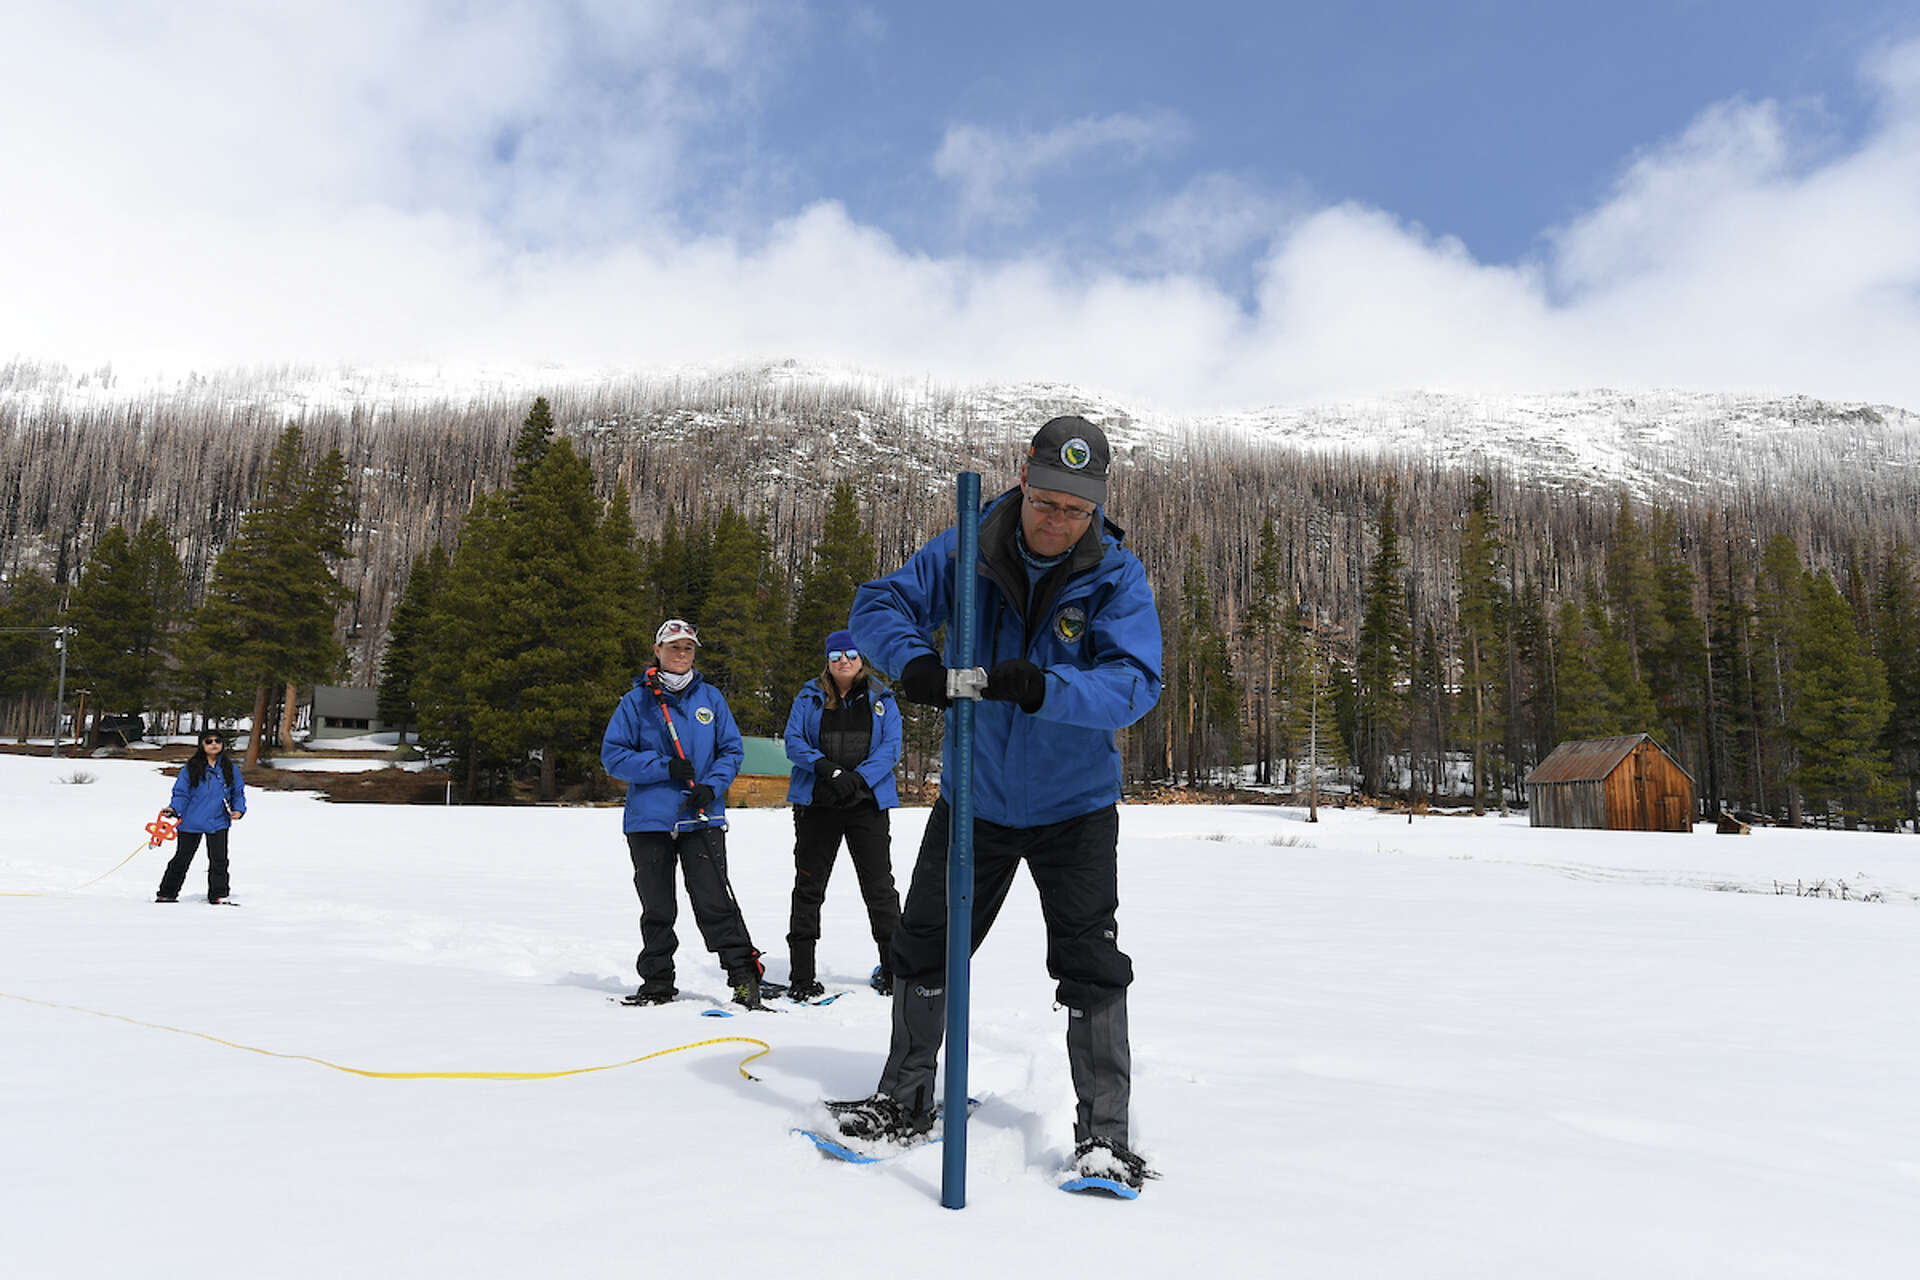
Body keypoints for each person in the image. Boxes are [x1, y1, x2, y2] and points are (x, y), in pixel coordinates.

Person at [829, 414, 1164, 1192]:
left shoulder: (1116, 575)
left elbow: (1135, 683)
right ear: (1024, 479)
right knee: (924, 945)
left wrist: (1048, 688)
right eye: (1048, 501)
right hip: (973, 796)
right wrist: (910, 661)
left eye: (1077, 509)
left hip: (1073, 806)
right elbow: (879, 604)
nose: (1058, 521)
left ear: (1096, 507)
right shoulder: (965, 547)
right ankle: (905, 1099)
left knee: (1090, 964)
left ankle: (1104, 1137)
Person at [600, 618, 765, 1009]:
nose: (681, 653)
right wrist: (663, 767)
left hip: (700, 815)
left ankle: (744, 977)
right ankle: (657, 981)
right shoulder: (636, 701)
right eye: (674, 646)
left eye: (688, 647)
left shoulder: (710, 698)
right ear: (658, 651)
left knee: (715, 900)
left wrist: (712, 786)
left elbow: (731, 751)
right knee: (657, 906)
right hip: (650, 820)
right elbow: (614, 757)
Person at [781, 628, 904, 1001]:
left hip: (866, 805)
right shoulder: (809, 696)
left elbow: (891, 747)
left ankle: (895, 972)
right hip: (818, 804)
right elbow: (793, 740)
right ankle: (802, 976)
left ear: (861, 658)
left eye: (850, 655)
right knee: (808, 888)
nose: (844, 662)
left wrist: (859, 777)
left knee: (880, 890)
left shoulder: (882, 698)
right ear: (827, 661)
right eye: (836, 657)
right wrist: (827, 769)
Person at [155, 729, 247, 904]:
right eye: (209, 741)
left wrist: (239, 810)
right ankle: (167, 893)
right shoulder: (191, 768)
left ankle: (219, 894)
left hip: (218, 821)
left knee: (219, 860)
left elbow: (238, 793)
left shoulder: (230, 769)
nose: (214, 744)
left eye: (217, 741)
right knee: (182, 858)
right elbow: (181, 793)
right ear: (201, 745)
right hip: (191, 821)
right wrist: (173, 809)